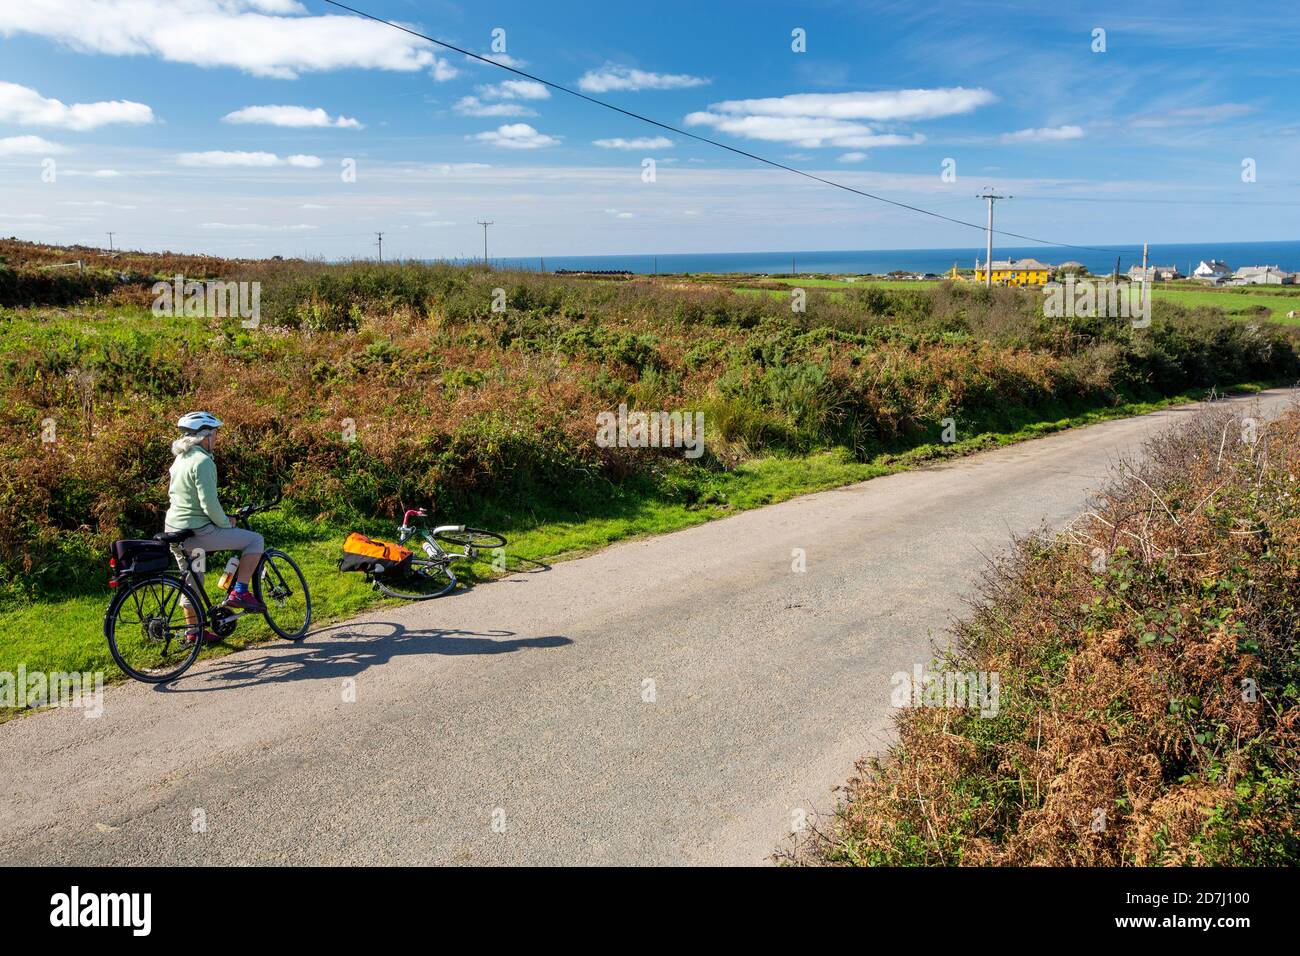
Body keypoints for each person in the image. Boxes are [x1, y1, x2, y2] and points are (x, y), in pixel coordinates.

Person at [165, 412, 266, 642]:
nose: (217, 438)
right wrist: (226, 523)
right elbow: (208, 503)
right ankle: (240, 591)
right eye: (215, 433)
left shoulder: (180, 459)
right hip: (198, 534)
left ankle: (193, 633)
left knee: (193, 580)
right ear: (205, 436)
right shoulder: (203, 462)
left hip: (176, 532)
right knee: (255, 540)